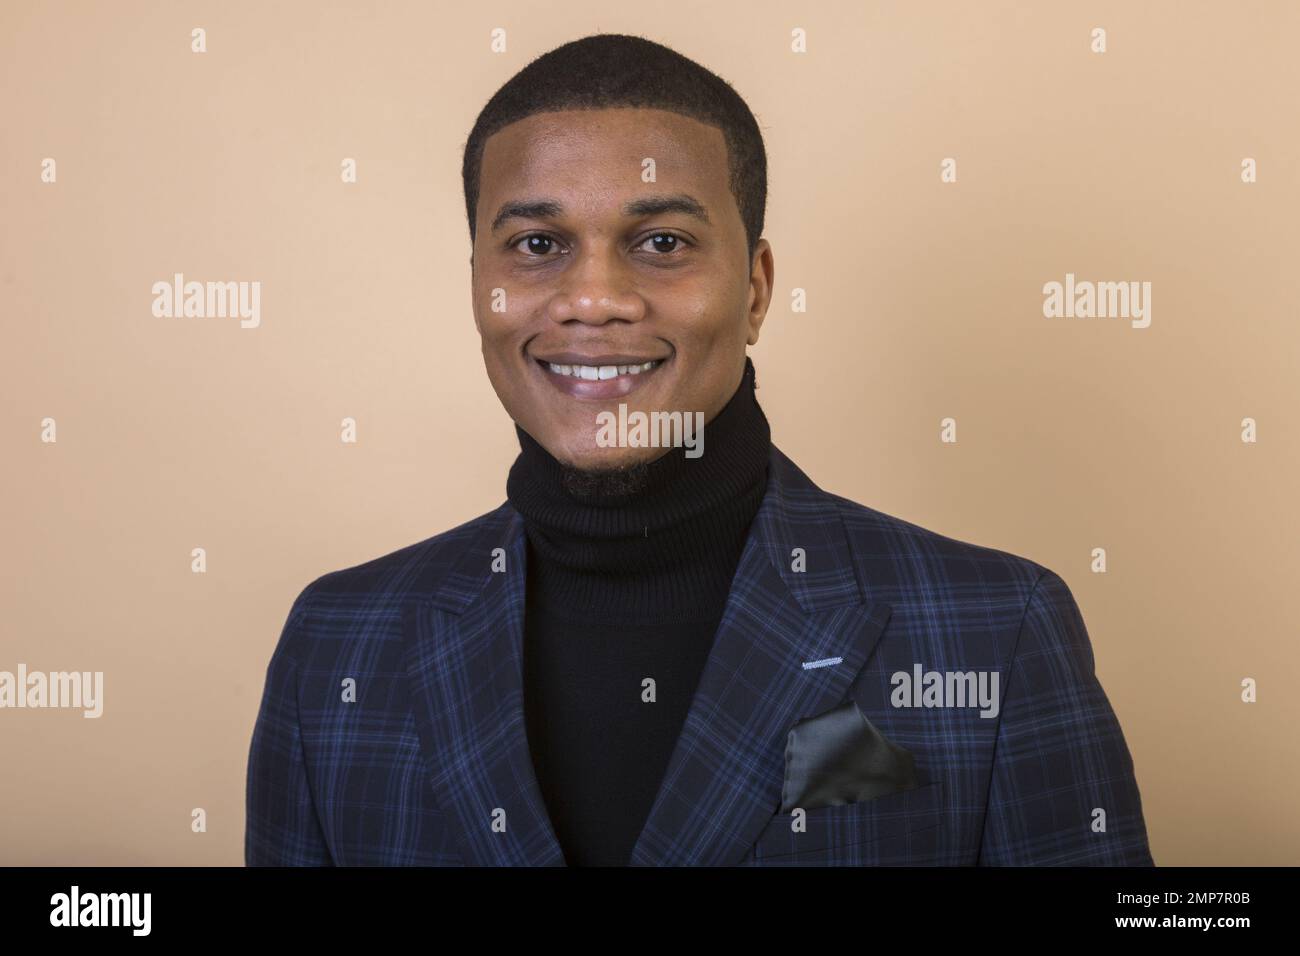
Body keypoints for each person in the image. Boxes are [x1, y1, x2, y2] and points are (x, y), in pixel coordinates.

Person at [246, 32, 1153, 866]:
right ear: (479, 286)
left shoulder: (995, 632)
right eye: (536, 244)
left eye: (662, 242)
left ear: (756, 290)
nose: (593, 298)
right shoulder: (337, 645)